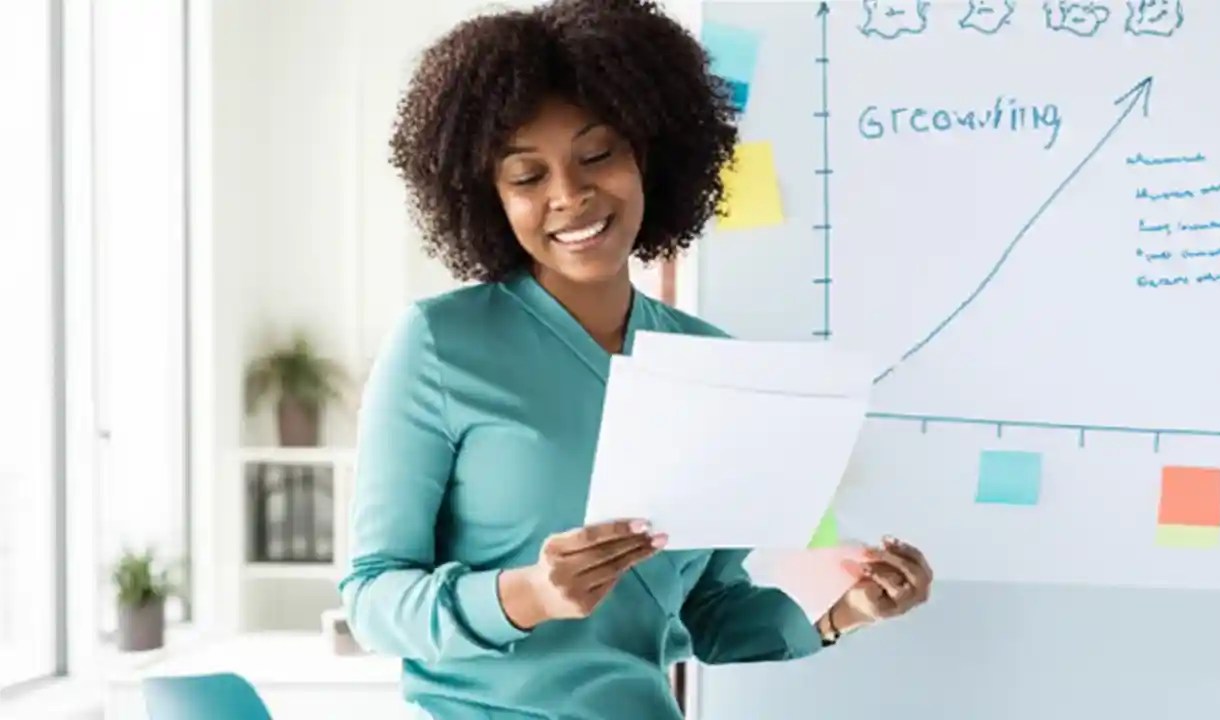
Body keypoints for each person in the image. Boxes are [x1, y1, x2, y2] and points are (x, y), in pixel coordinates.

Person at [338, 1, 934, 717]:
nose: (570, 195)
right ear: (488, 198)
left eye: (597, 156)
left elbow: (708, 615)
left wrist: (843, 611)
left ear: (647, 153)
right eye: (527, 177)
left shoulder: (709, 363)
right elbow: (373, 597)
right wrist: (531, 594)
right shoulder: (438, 345)